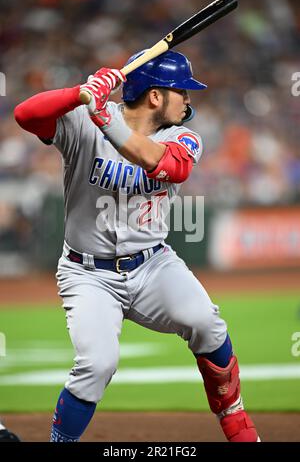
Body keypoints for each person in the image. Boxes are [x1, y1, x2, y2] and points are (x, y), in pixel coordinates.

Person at [14, 50, 260, 442]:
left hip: (152, 266)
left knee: (208, 326)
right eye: (183, 91)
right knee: (97, 365)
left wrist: (104, 117)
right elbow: (26, 115)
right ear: (156, 96)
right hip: (86, 273)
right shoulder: (84, 119)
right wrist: (80, 93)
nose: (189, 100)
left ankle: (238, 424)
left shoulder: (180, 135)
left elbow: (169, 165)